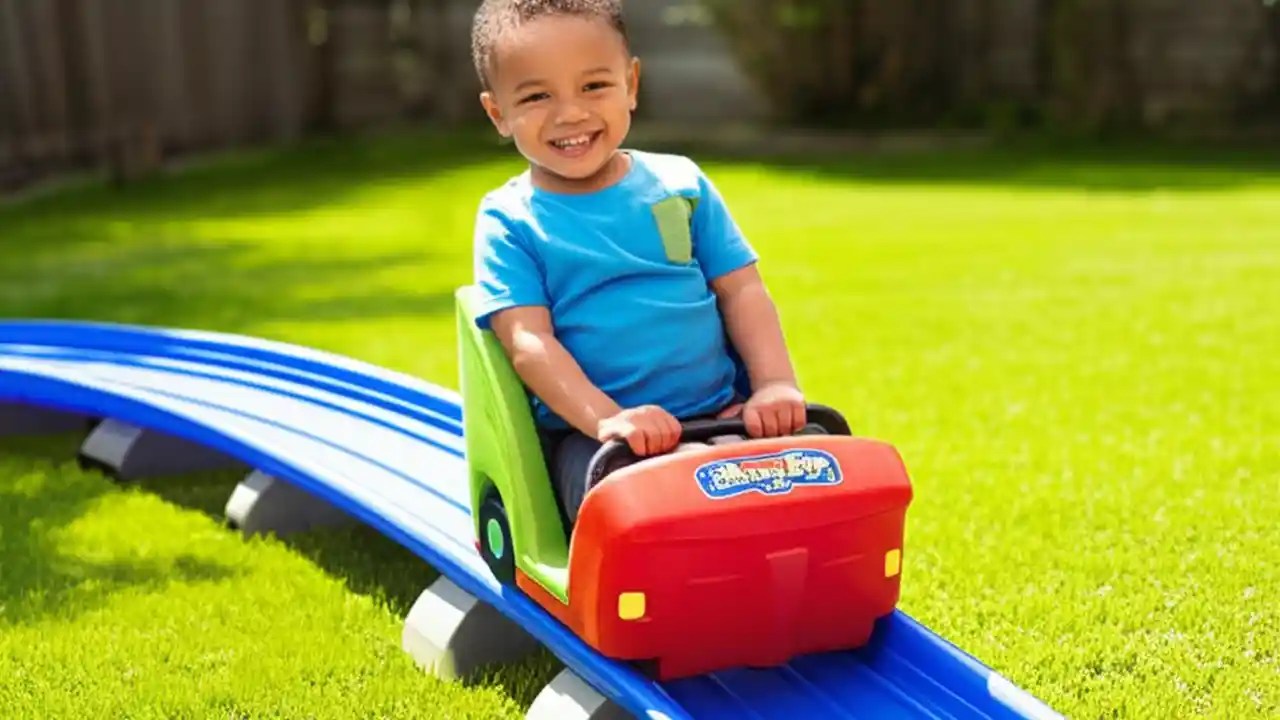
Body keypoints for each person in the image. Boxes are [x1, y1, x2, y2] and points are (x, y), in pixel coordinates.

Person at [468, 0, 806, 524]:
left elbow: (743, 291)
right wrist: (610, 420)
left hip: (720, 414)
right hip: (599, 439)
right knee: (630, 502)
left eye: (594, 86)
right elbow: (529, 343)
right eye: (537, 96)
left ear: (631, 83)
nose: (570, 113)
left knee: (813, 459)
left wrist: (775, 385)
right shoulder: (510, 220)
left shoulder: (680, 186)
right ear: (498, 114)